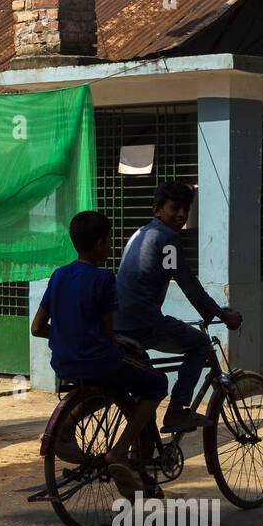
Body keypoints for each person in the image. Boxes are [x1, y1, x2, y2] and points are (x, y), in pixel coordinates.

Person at [31, 210, 168, 497]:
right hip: (100, 361)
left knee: (125, 387)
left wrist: (66, 333)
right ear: (98, 243)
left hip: (66, 363)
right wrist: (122, 342)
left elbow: (37, 327)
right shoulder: (104, 279)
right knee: (157, 383)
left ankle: (136, 473)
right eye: (108, 242)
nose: (109, 247)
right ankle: (119, 452)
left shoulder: (58, 276)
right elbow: (108, 333)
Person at [115, 181, 242, 433]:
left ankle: (141, 452)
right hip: (143, 322)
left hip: (118, 323)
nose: (182, 215)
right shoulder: (168, 238)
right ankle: (176, 412)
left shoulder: (141, 233)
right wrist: (221, 315)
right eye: (175, 208)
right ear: (157, 210)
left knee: (146, 387)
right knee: (200, 345)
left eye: (186, 209)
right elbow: (187, 282)